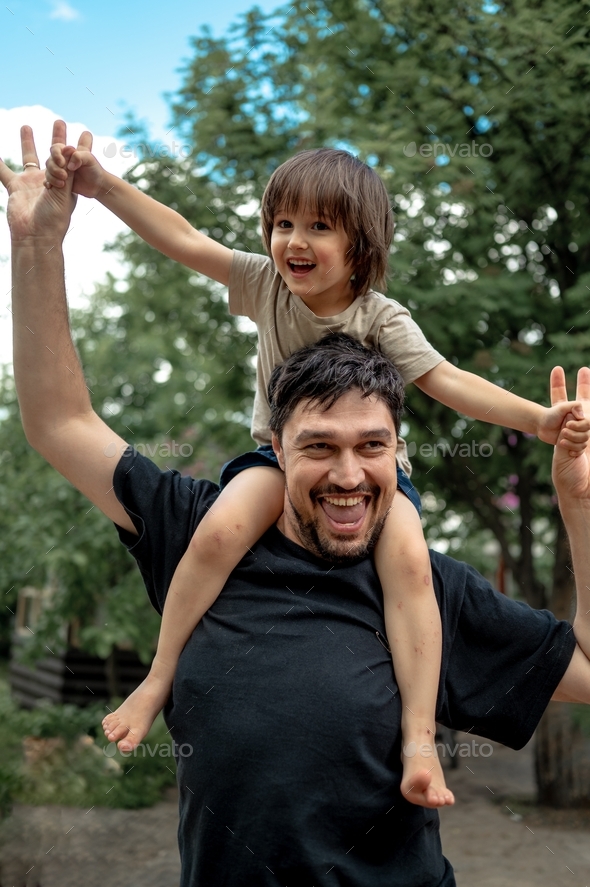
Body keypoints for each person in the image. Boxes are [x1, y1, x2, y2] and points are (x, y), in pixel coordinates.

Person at [3, 126, 590, 886]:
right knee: (218, 530)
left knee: (409, 562)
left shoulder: (383, 321)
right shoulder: (264, 287)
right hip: (258, 470)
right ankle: (156, 676)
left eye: (319, 226)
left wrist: (547, 439)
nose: (295, 241)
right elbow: (180, 244)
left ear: (361, 247)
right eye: (283, 223)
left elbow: (447, 381)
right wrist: (90, 195)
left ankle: (419, 738)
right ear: (288, 444)